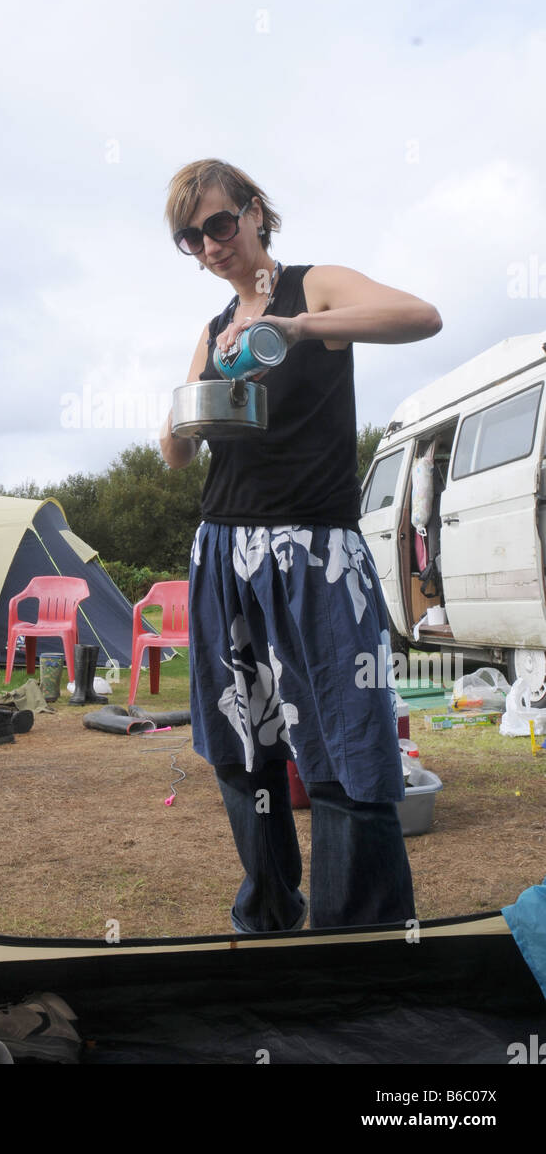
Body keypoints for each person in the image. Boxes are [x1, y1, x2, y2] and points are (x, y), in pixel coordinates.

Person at [159, 158, 442, 933]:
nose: (210, 245)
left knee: (342, 737)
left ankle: (359, 931)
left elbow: (420, 316)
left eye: (219, 223)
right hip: (223, 549)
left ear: (254, 212)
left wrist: (296, 329)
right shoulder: (213, 329)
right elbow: (176, 455)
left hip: (315, 551)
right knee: (239, 740)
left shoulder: (312, 287)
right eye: (191, 238)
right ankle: (270, 913)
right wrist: (189, 410)